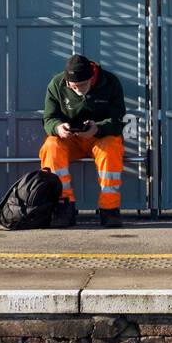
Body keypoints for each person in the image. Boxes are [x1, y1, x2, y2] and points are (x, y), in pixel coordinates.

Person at [38, 54, 126, 228]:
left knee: (111, 148)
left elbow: (118, 119)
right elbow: (48, 119)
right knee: (51, 146)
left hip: (100, 137)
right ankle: (63, 207)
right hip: (70, 139)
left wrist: (98, 128)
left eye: (82, 85)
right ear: (66, 81)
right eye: (73, 86)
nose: (78, 89)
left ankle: (110, 210)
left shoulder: (110, 82)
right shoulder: (56, 84)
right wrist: (58, 128)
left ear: (92, 77)